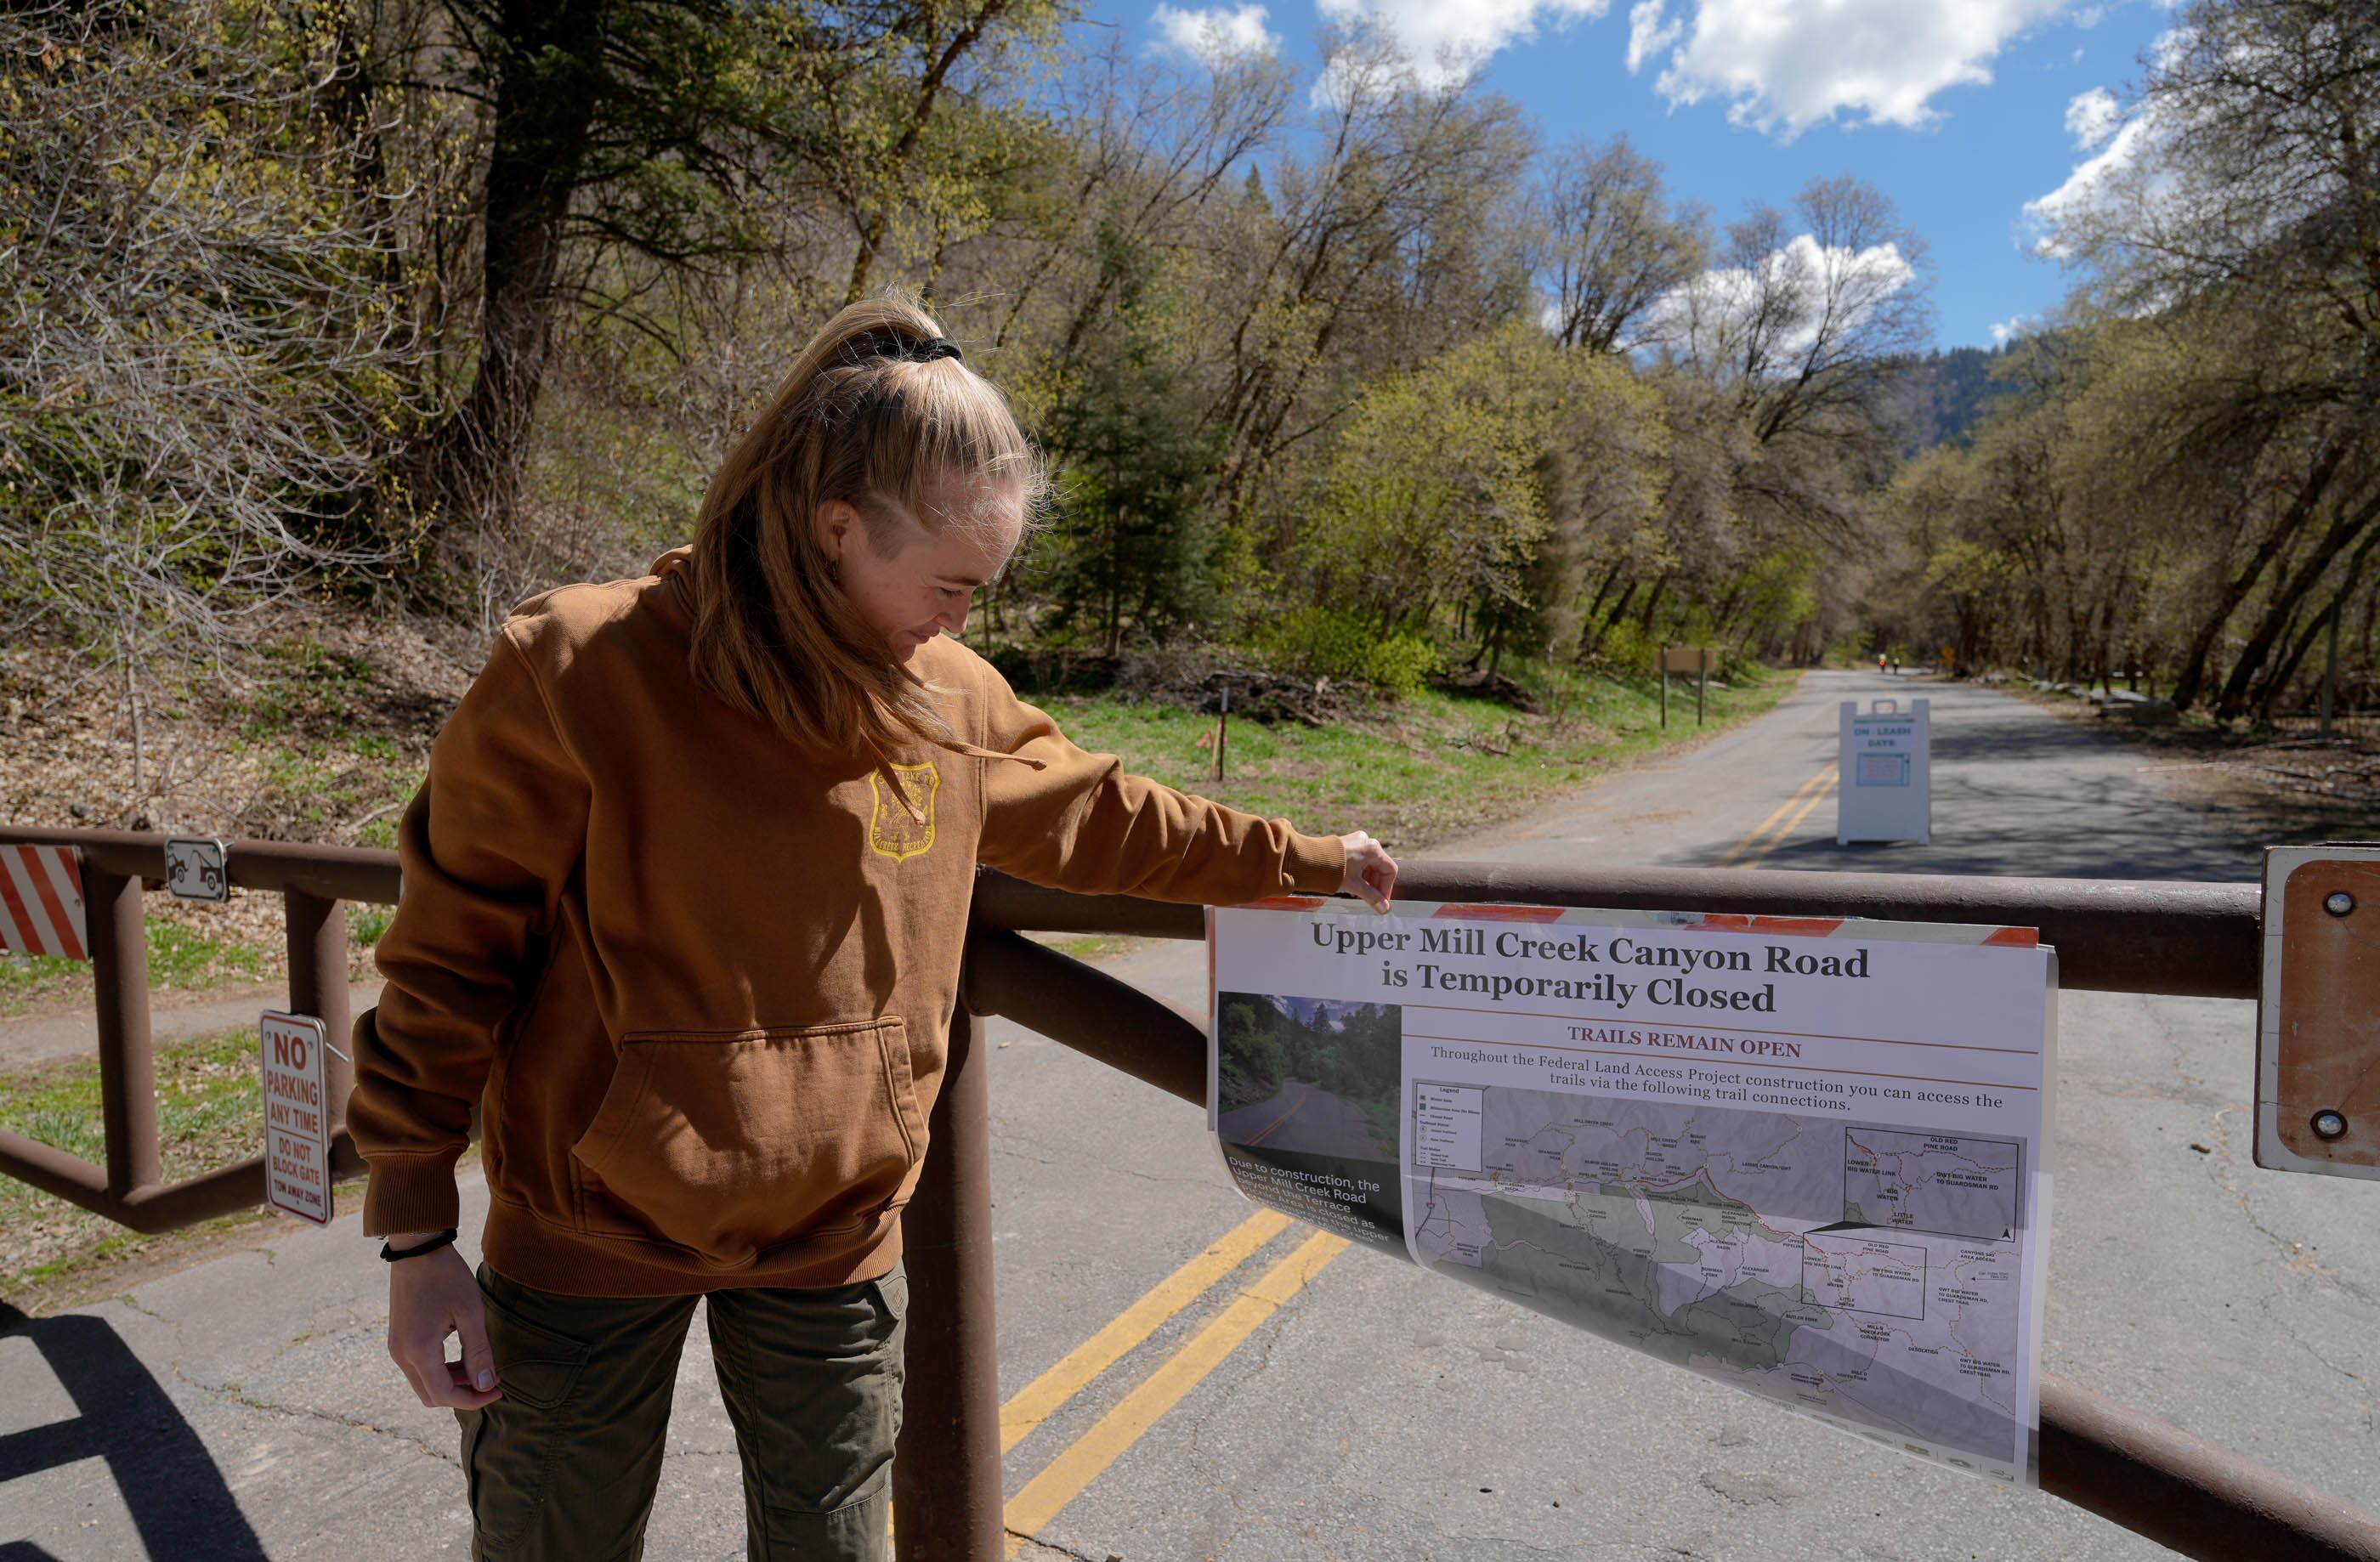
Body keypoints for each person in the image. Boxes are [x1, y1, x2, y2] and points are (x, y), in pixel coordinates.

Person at [346, 294, 1399, 1562]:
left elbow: (1108, 817)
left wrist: (1308, 862)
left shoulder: (947, 696)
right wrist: (417, 1229)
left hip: (835, 1242)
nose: (963, 622)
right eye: (952, 585)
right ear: (837, 529)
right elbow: (445, 964)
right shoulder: (583, 669)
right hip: (586, 1232)